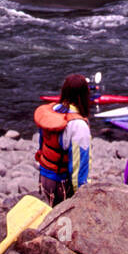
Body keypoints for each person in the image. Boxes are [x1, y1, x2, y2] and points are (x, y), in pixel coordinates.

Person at [34, 74, 93, 206]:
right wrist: (81, 198)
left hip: (44, 178)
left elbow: (41, 144)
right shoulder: (79, 126)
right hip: (61, 185)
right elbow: (79, 167)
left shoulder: (51, 112)